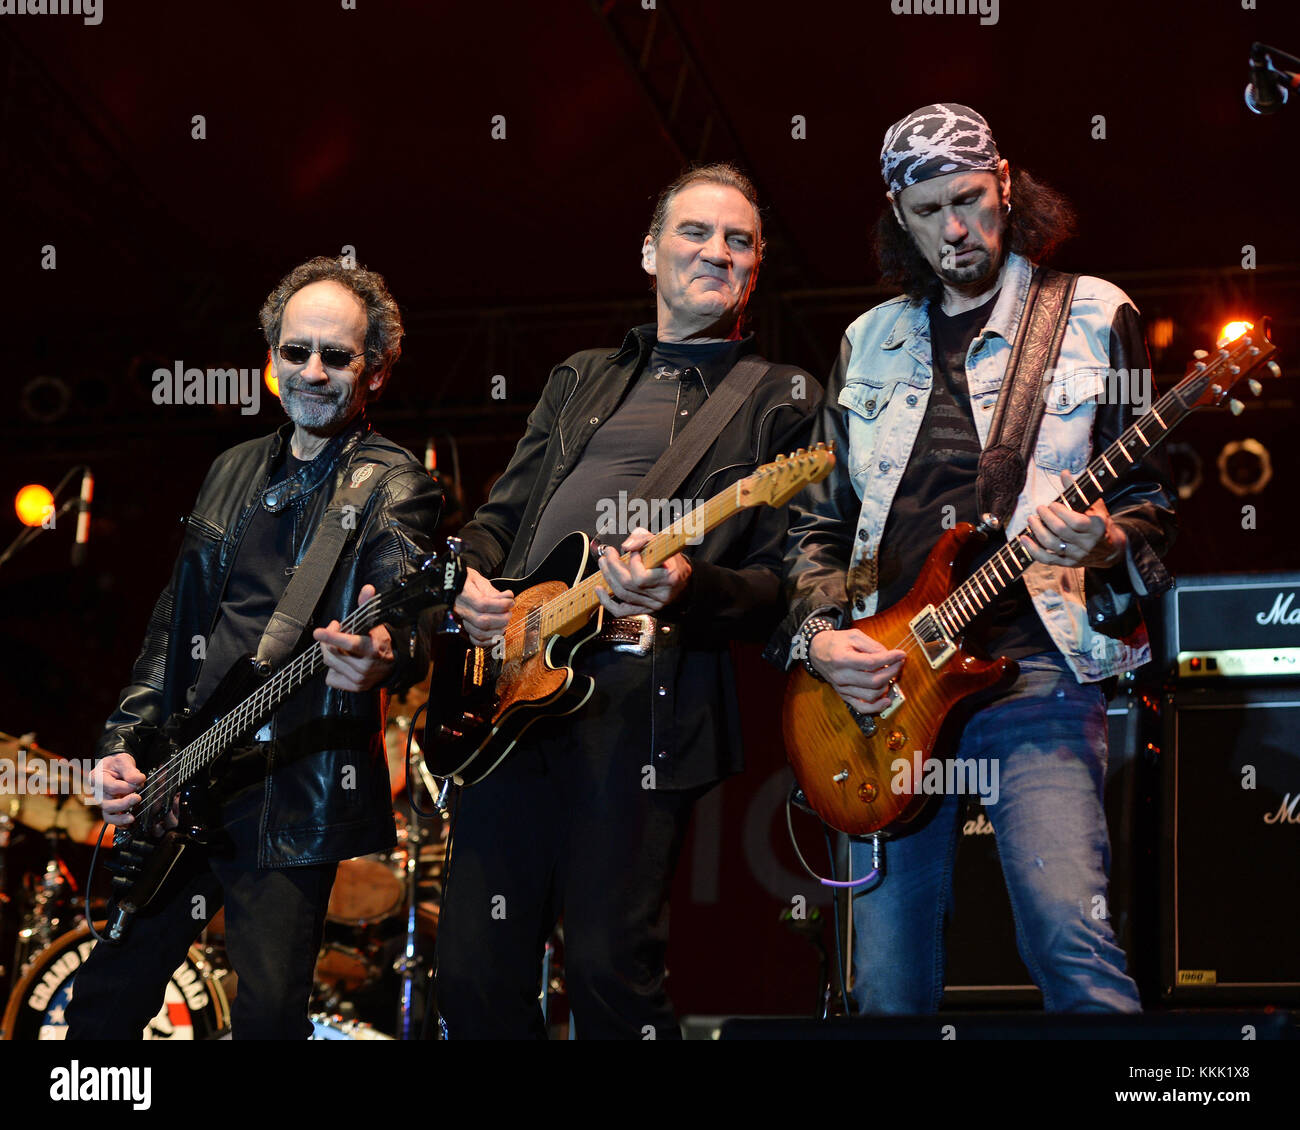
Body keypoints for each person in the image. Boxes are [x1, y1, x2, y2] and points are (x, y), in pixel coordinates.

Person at [775, 104, 1177, 1013]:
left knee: (1069, 939)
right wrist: (820, 640)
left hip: (1035, 669)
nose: (955, 229)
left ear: (1007, 186)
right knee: (884, 987)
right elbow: (816, 526)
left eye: (970, 200)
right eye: (929, 211)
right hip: (890, 682)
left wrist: (1108, 538)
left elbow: (1150, 507)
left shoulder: (1094, 314)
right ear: (897, 215)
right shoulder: (864, 341)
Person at [437, 163, 820, 1039]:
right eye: (695, 232)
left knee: (610, 970)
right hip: (510, 690)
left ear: (755, 270)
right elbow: (499, 519)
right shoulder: (578, 377)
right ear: (649, 253)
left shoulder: (780, 399)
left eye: (740, 241)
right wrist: (473, 585)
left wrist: (687, 584)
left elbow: (786, 588)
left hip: (643, 700)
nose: (716, 252)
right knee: (471, 976)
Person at [65, 257, 441, 1039]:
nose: (312, 370)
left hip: (293, 790)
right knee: (101, 1007)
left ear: (374, 371)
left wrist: (384, 650)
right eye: (295, 351)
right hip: (185, 778)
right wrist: (123, 745)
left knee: (267, 1019)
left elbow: (405, 613)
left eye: (337, 357)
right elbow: (172, 632)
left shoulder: (392, 483)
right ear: (270, 358)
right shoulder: (231, 469)